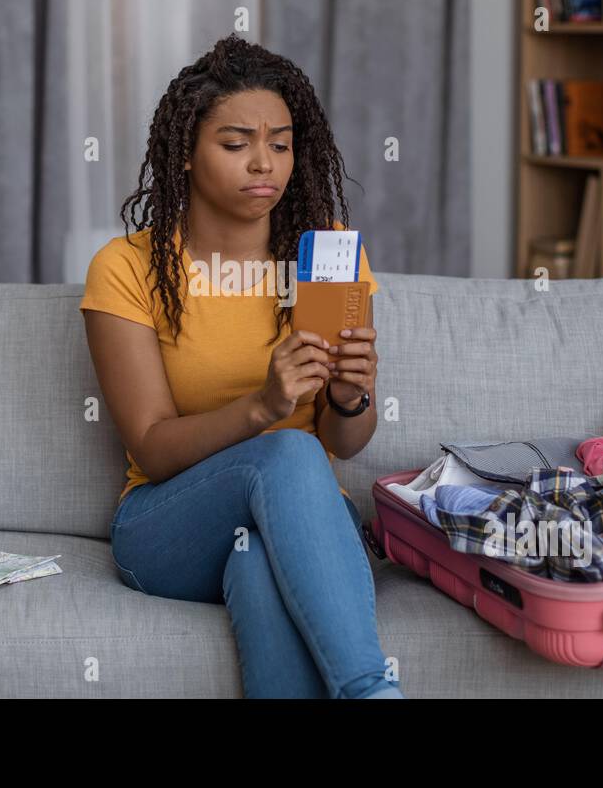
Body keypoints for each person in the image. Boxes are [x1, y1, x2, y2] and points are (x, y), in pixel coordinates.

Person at [79, 34, 403, 699]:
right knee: (282, 449)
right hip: (168, 523)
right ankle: (372, 691)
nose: (265, 164)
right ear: (188, 156)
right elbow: (152, 446)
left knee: (258, 565)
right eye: (236, 145)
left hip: (303, 521)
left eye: (280, 144)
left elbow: (345, 442)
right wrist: (263, 406)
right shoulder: (128, 269)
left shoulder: (330, 255)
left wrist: (349, 395)